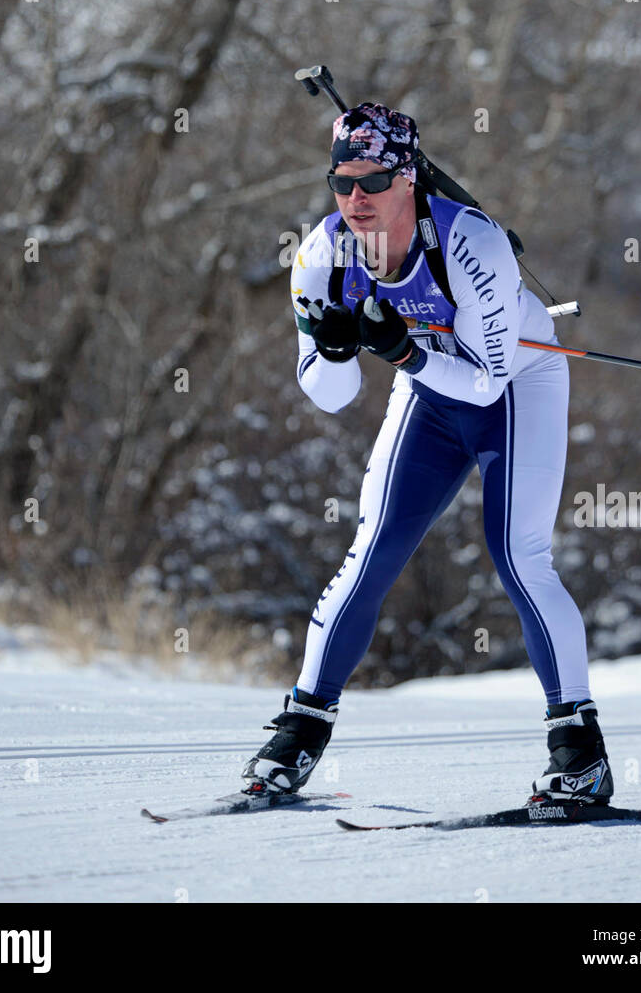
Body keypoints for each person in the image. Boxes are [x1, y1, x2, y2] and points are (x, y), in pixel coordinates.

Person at [242, 101, 612, 805]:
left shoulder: (470, 246)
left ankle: (579, 751)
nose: (355, 199)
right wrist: (333, 346)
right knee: (371, 548)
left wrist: (402, 350)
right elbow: (330, 395)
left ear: (407, 178)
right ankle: (299, 730)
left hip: (512, 389)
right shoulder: (322, 253)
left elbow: (483, 383)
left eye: (374, 182)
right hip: (427, 393)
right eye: (341, 181)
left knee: (518, 555)